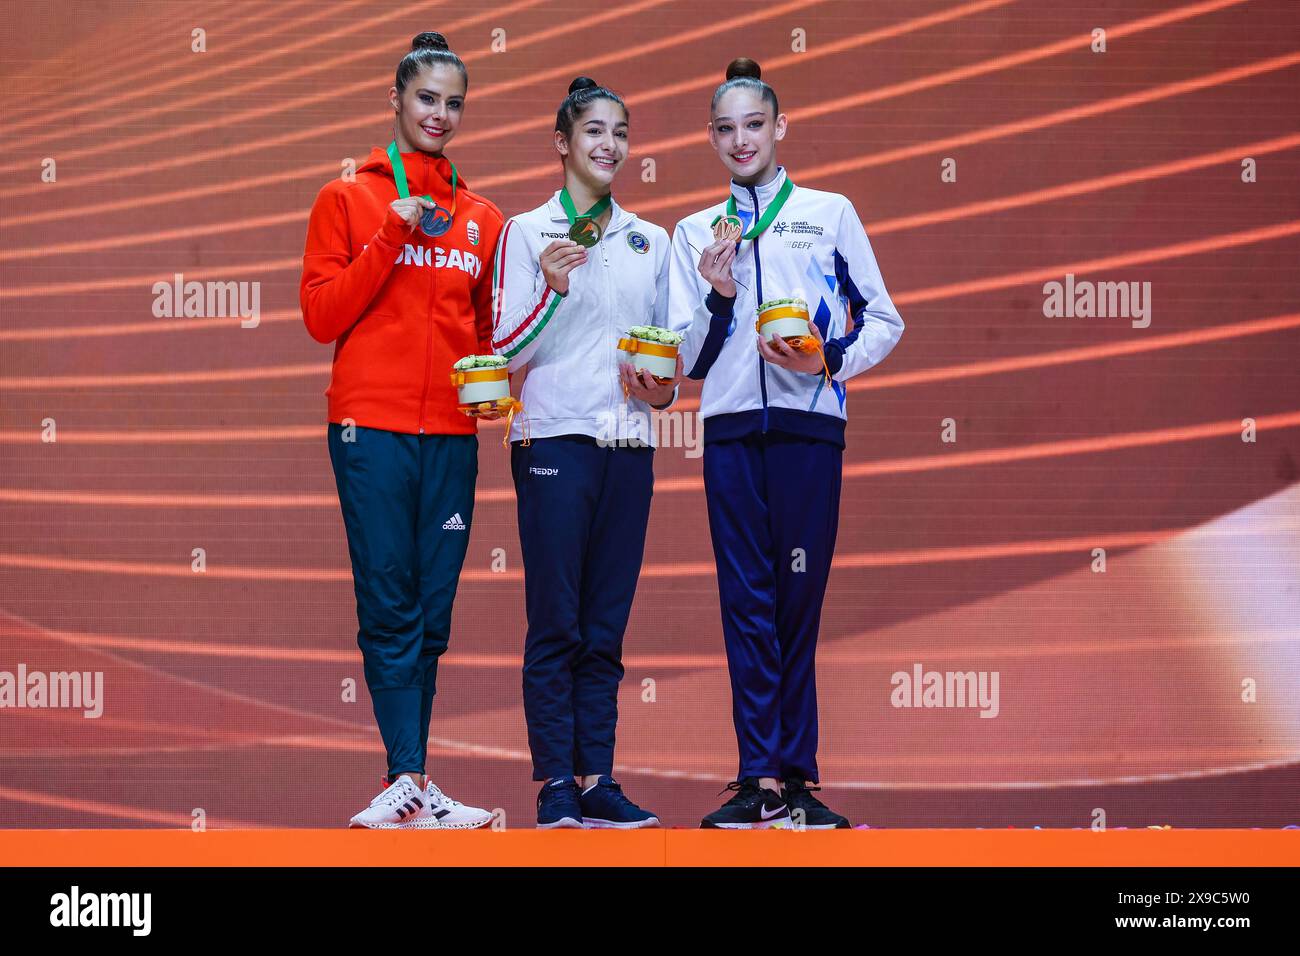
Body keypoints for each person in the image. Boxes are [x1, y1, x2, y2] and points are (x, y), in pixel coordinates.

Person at [667, 57, 905, 829]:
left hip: (809, 433)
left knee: (797, 603)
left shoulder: (829, 212)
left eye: (754, 124)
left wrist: (828, 360)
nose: (742, 140)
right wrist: (717, 292)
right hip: (732, 434)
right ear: (712, 137)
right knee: (746, 604)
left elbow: (885, 319)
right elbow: (690, 360)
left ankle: (797, 781)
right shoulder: (696, 232)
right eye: (727, 128)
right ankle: (757, 779)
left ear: (780, 127)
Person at [299, 31, 503, 829]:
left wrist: (492, 390)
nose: (440, 115)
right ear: (396, 101)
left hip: (452, 437)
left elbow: (483, 335)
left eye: (454, 103)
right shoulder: (346, 198)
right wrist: (391, 232)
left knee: (433, 610)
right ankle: (405, 778)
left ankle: (416, 784)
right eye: (427, 99)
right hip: (371, 430)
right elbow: (322, 316)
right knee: (389, 600)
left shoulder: (480, 216)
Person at [492, 77, 679, 829]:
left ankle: (597, 777)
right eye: (594, 132)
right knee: (557, 622)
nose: (610, 146)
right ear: (563, 143)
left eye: (621, 134)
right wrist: (552, 289)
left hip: (628, 445)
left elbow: (665, 357)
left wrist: (660, 393)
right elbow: (504, 349)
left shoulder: (649, 239)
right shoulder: (528, 232)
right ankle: (555, 786)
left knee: (606, 623)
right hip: (553, 441)